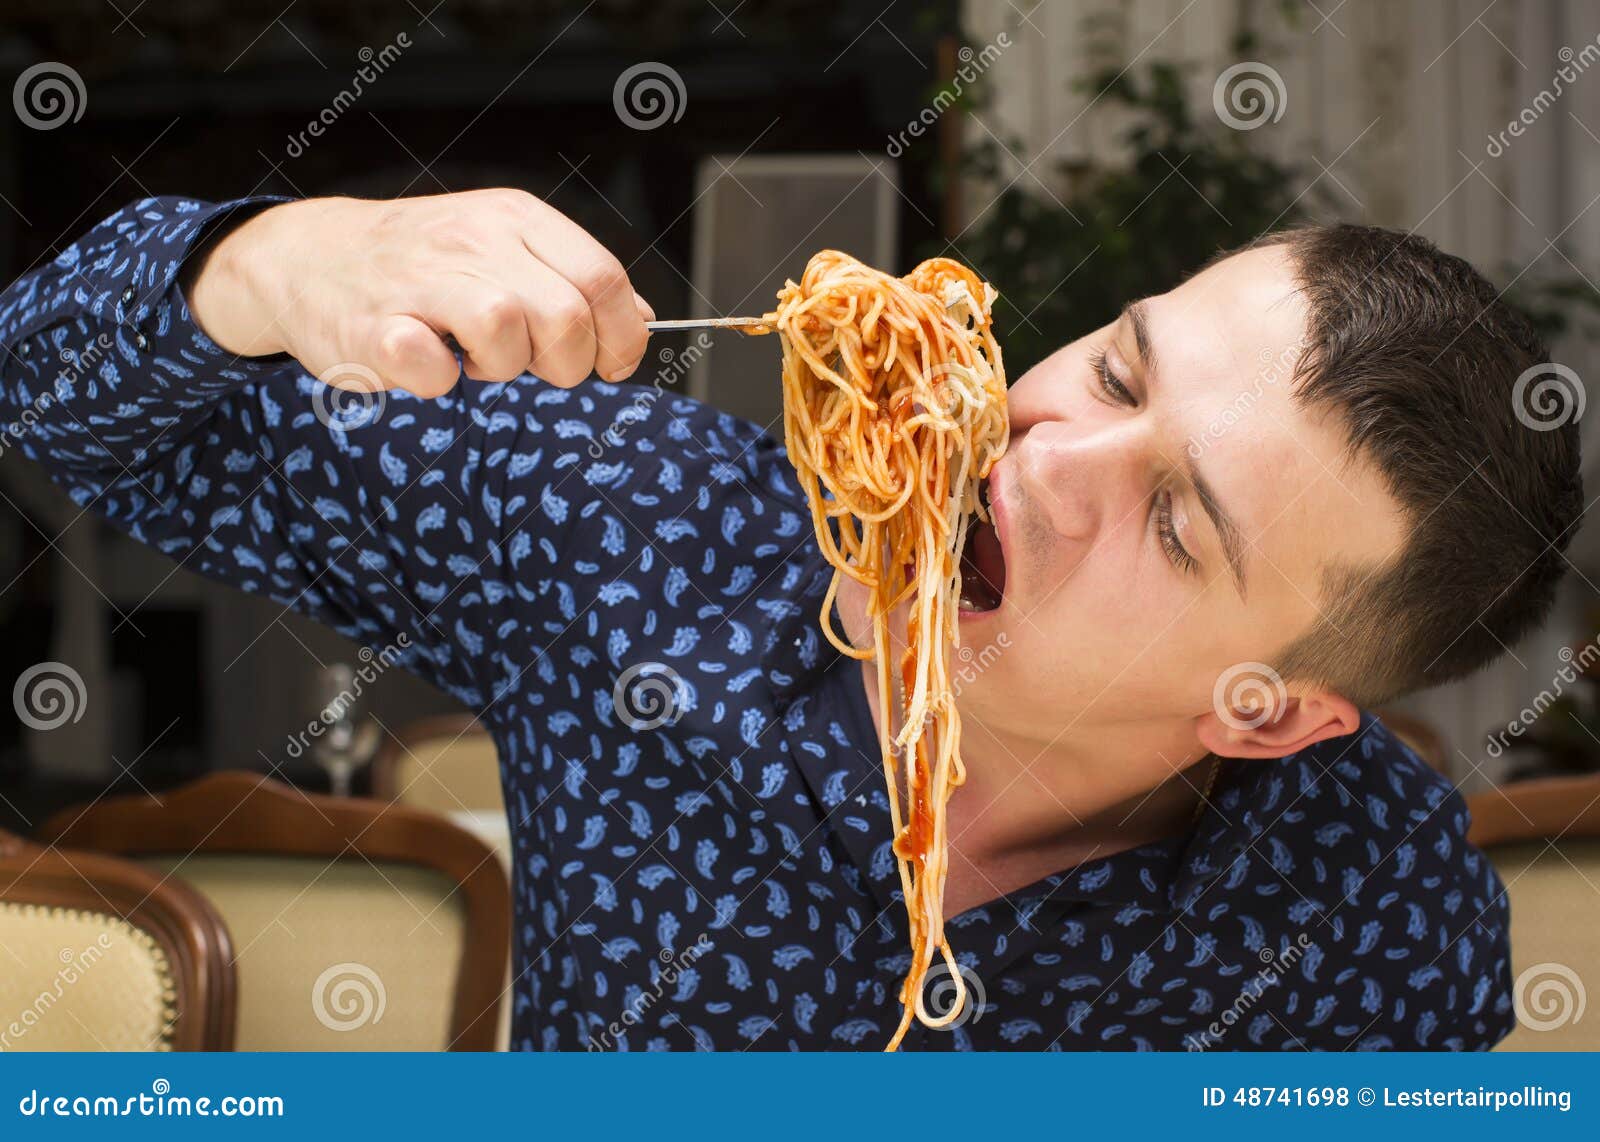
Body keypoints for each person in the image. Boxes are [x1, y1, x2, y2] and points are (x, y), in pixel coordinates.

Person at [0, 190, 1580, 1050]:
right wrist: (289, 259)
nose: (1047, 454)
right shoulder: (641, 528)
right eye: (1114, 368)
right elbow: (58, 395)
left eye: (1175, 521)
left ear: (1269, 706)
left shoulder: (1373, 904)